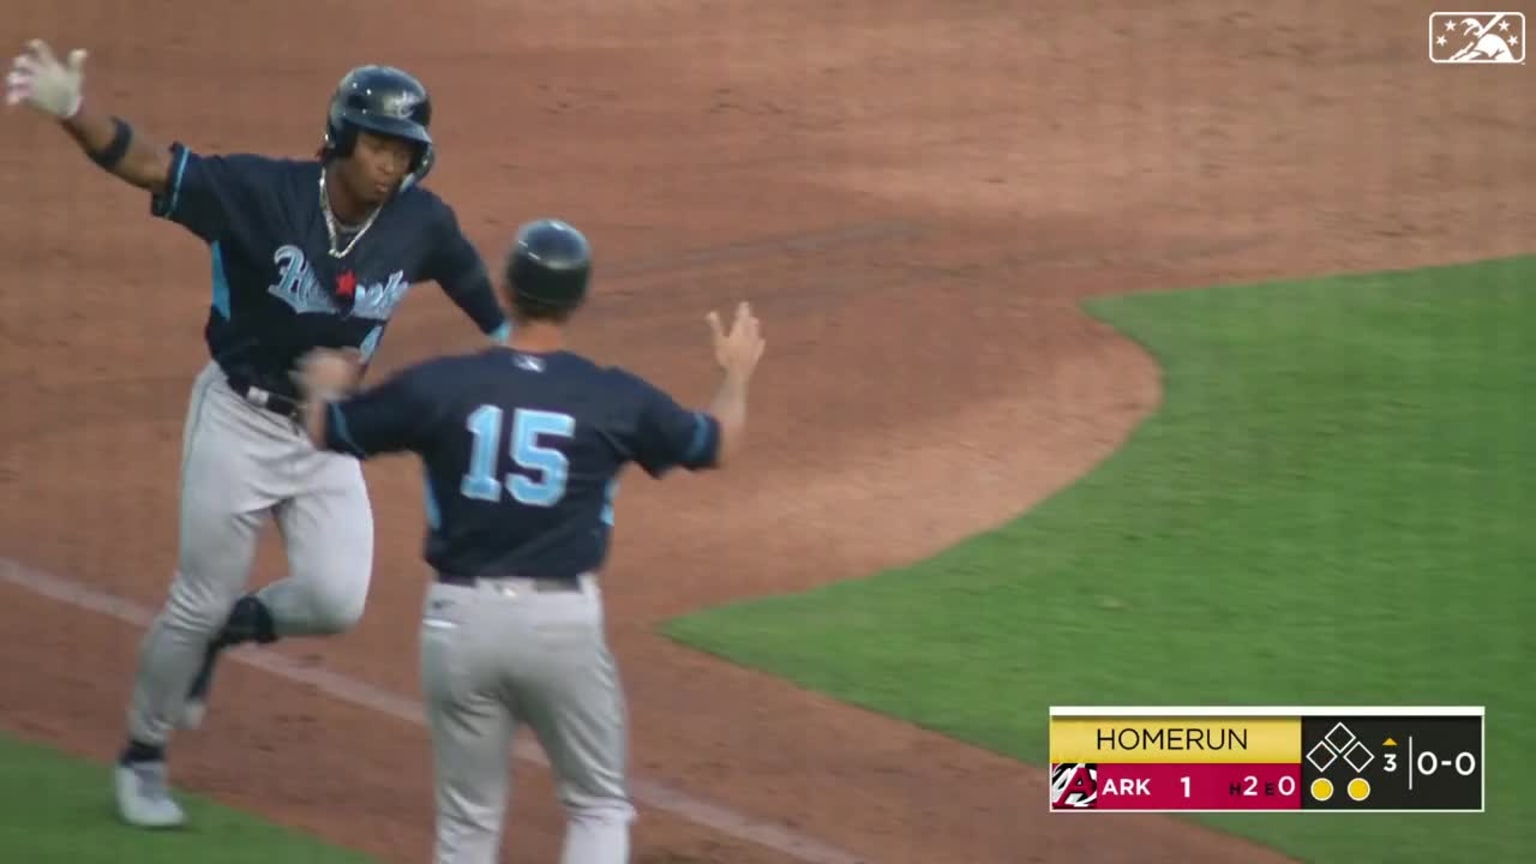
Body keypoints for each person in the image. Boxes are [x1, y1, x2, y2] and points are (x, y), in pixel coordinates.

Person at [5, 39, 512, 828]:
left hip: (328, 433)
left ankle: (232, 631)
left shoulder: (422, 223)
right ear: (341, 140)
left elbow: (479, 291)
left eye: (406, 151)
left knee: (338, 599)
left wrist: (526, 357)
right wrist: (73, 109)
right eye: (378, 145)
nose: (390, 164)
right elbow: (148, 166)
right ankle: (143, 752)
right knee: (195, 598)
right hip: (238, 419)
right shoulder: (261, 193)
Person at [290, 219, 765, 863]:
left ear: (507, 292)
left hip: (458, 624)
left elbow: (331, 430)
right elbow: (716, 445)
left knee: (467, 827)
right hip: (559, 625)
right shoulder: (612, 396)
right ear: (578, 300)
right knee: (597, 805)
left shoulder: (443, 384)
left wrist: (323, 383)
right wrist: (735, 374)